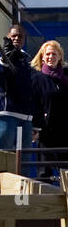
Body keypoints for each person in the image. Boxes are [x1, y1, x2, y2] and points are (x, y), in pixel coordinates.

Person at [0, 23, 47, 172]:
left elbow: (32, 93)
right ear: (8, 37)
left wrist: (36, 124)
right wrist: (5, 60)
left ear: (24, 39)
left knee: (24, 162)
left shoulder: (26, 61)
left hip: (25, 118)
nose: (16, 38)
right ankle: (0, 193)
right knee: (3, 157)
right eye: (13, 35)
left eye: (20, 36)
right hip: (6, 113)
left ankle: (21, 194)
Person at [31, 40, 68, 168]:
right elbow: (34, 105)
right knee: (44, 172)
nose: (50, 57)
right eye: (47, 54)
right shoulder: (37, 79)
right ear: (42, 57)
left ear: (60, 57)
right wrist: (35, 127)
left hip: (65, 130)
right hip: (46, 131)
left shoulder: (66, 77)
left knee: (66, 171)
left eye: (54, 54)